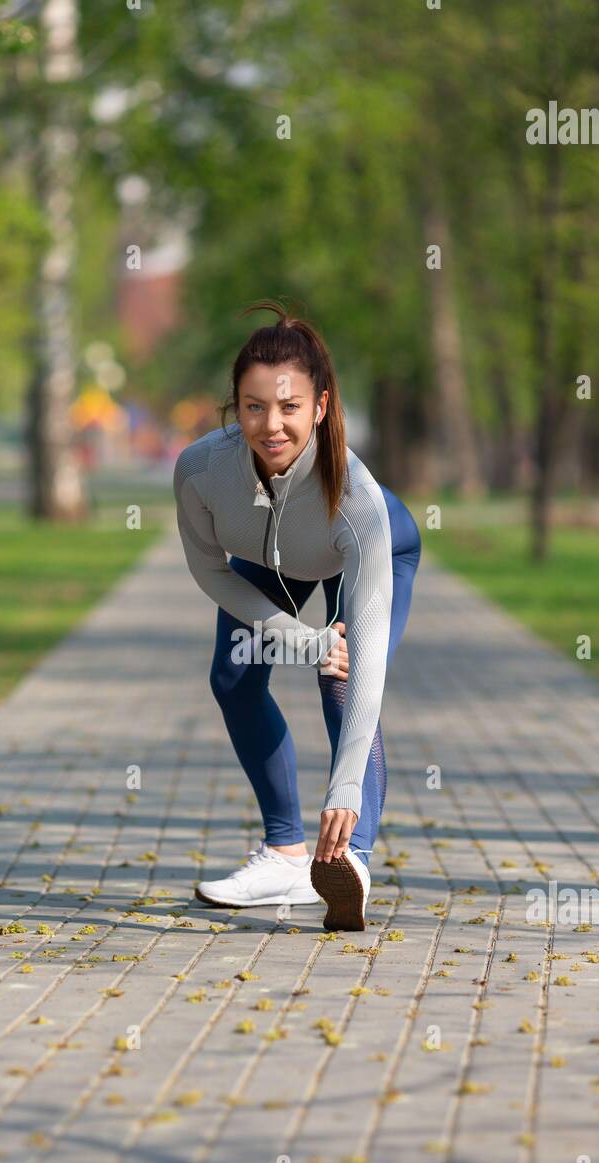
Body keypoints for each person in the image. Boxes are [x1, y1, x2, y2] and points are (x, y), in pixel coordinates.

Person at [172, 300, 421, 930]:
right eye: (254, 406)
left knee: (340, 676)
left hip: (369, 552)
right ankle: (285, 853)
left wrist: (340, 789)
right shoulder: (201, 471)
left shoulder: (356, 501)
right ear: (235, 405)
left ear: (321, 406)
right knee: (234, 676)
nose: (271, 425)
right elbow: (210, 571)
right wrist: (297, 640)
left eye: (289, 407)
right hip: (270, 555)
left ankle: (350, 861)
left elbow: (363, 671)